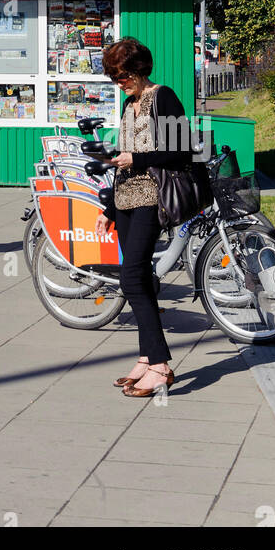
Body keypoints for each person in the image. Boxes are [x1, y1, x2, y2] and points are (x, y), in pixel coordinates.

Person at [98, 37, 191, 398]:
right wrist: (109, 209)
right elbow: (125, 157)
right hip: (125, 201)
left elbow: (180, 149)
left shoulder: (161, 97)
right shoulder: (129, 103)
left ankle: (161, 365)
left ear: (139, 69)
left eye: (123, 75)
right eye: (114, 77)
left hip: (151, 199)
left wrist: (136, 160)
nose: (119, 82)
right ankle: (145, 358)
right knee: (140, 280)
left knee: (132, 278)